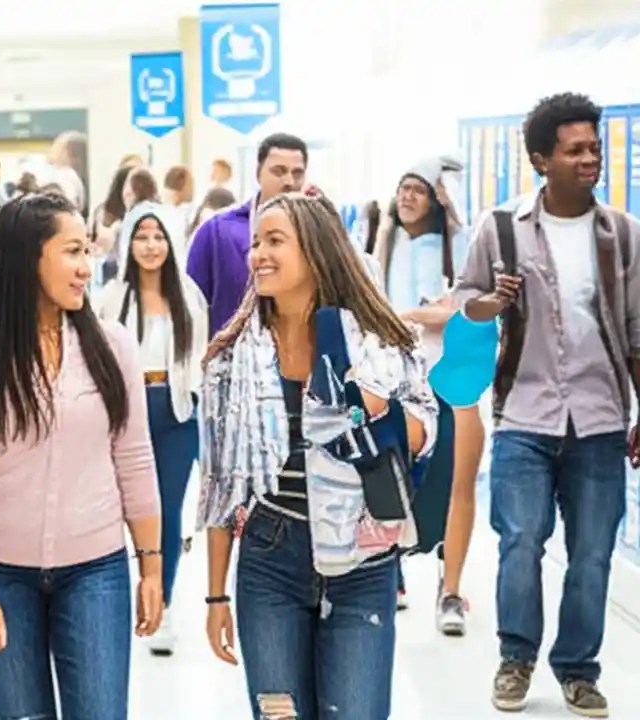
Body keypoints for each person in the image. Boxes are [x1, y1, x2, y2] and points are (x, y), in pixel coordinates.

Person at [198, 192, 438, 720]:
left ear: (316, 251)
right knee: (279, 714)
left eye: (275, 241)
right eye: (256, 242)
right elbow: (219, 486)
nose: (258, 253)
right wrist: (215, 596)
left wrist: (374, 408)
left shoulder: (373, 339)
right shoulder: (231, 358)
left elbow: (426, 428)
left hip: (362, 555)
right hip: (269, 557)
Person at [0, 192, 162, 719]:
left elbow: (134, 458)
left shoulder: (112, 345)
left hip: (96, 570)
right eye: (73, 252)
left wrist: (151, 567)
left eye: (88, 252)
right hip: (1, 573)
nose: (87, 268)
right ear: (27, 257)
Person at [454, 92, 640, 717]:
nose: (591, 159)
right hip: (524, 416)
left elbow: (637, 331)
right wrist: (493, 301)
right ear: (542, 160)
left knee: (592, 551)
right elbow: (467, 305)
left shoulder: (623, 234)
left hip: (600, 416)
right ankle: (516, 656)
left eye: (595, 147)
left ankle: (579, 669)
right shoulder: (500, 229)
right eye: (575, 150)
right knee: (521, 541)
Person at [370, 156, 483, 626]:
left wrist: (415, 315)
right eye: (403, 189)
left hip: (451, 376)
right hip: (394, 377)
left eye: (419, 189)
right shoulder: (384, 244)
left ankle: (450, 587)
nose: (408, 197)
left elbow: (464, 307)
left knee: (452, 479)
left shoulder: (459, 244)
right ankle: (387, 569)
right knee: (388, 475)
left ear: (436, 198)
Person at [95, 200, 208, 656]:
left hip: (176, 413)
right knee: (120, 509)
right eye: (141, 237)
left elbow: (199, 357)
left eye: (158, 236)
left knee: (165, 511)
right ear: (127, 243)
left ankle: (161, 604)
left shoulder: (189, 297)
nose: (150, 246)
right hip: (125, 412)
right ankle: (118, 600)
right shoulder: (110, 298)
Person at [187, 133, 307, 335]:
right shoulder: (217, 232)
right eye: (279, 171)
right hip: (228, 359)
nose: (289, 181)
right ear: (258, 173)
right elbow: (191, 307)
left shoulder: (315, 236)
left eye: (297, 173)